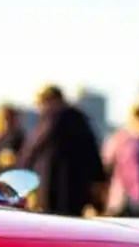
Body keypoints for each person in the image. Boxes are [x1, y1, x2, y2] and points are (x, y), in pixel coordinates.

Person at [18, 85, 106, 216]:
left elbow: (31, 151)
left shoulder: (50, 119)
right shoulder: (80, 119)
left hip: (50, 189)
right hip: (77, 190)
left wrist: (20, 170)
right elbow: (93, 156)